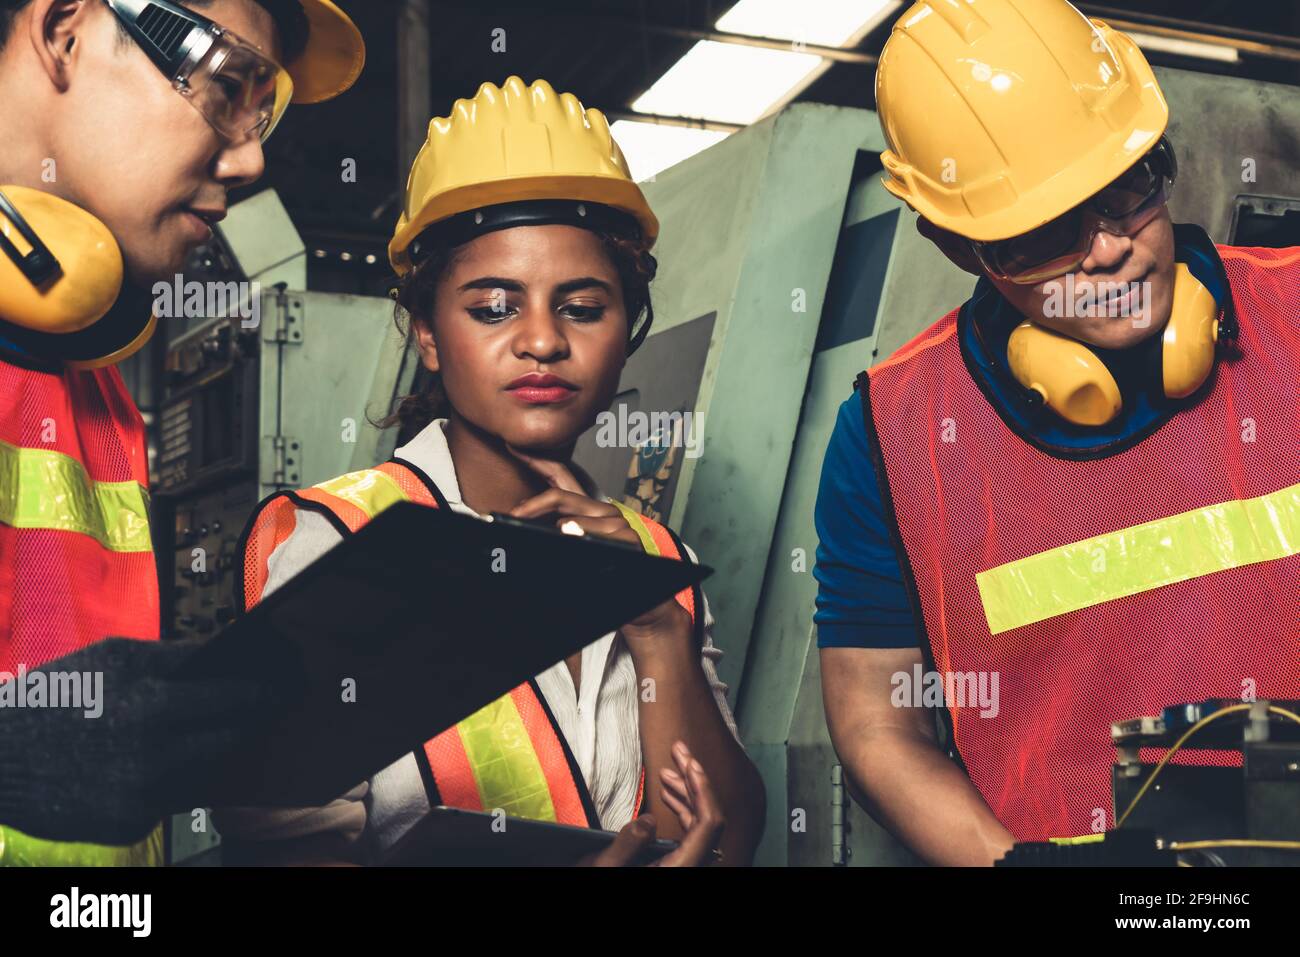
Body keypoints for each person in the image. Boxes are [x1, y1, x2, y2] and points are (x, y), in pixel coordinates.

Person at [216, 76, 766, 866]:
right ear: (429, 336)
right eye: (493, 306)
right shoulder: (337, 537)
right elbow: (280, 855)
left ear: (627, 330)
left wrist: (656, 631)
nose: (542, 340)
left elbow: (734, 838)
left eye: (581, 306)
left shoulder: (659, 561)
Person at [815, 0, 1299, 866]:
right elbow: (875, 722)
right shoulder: (892, 434)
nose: (1107, 249)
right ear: (961, 247)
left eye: (1125, 190)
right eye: (1042, 232)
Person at [0, 0, 364, 864]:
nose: (251, 157)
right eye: (227, 84)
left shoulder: (92, 385)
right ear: (65, 32)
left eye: (261, 110)